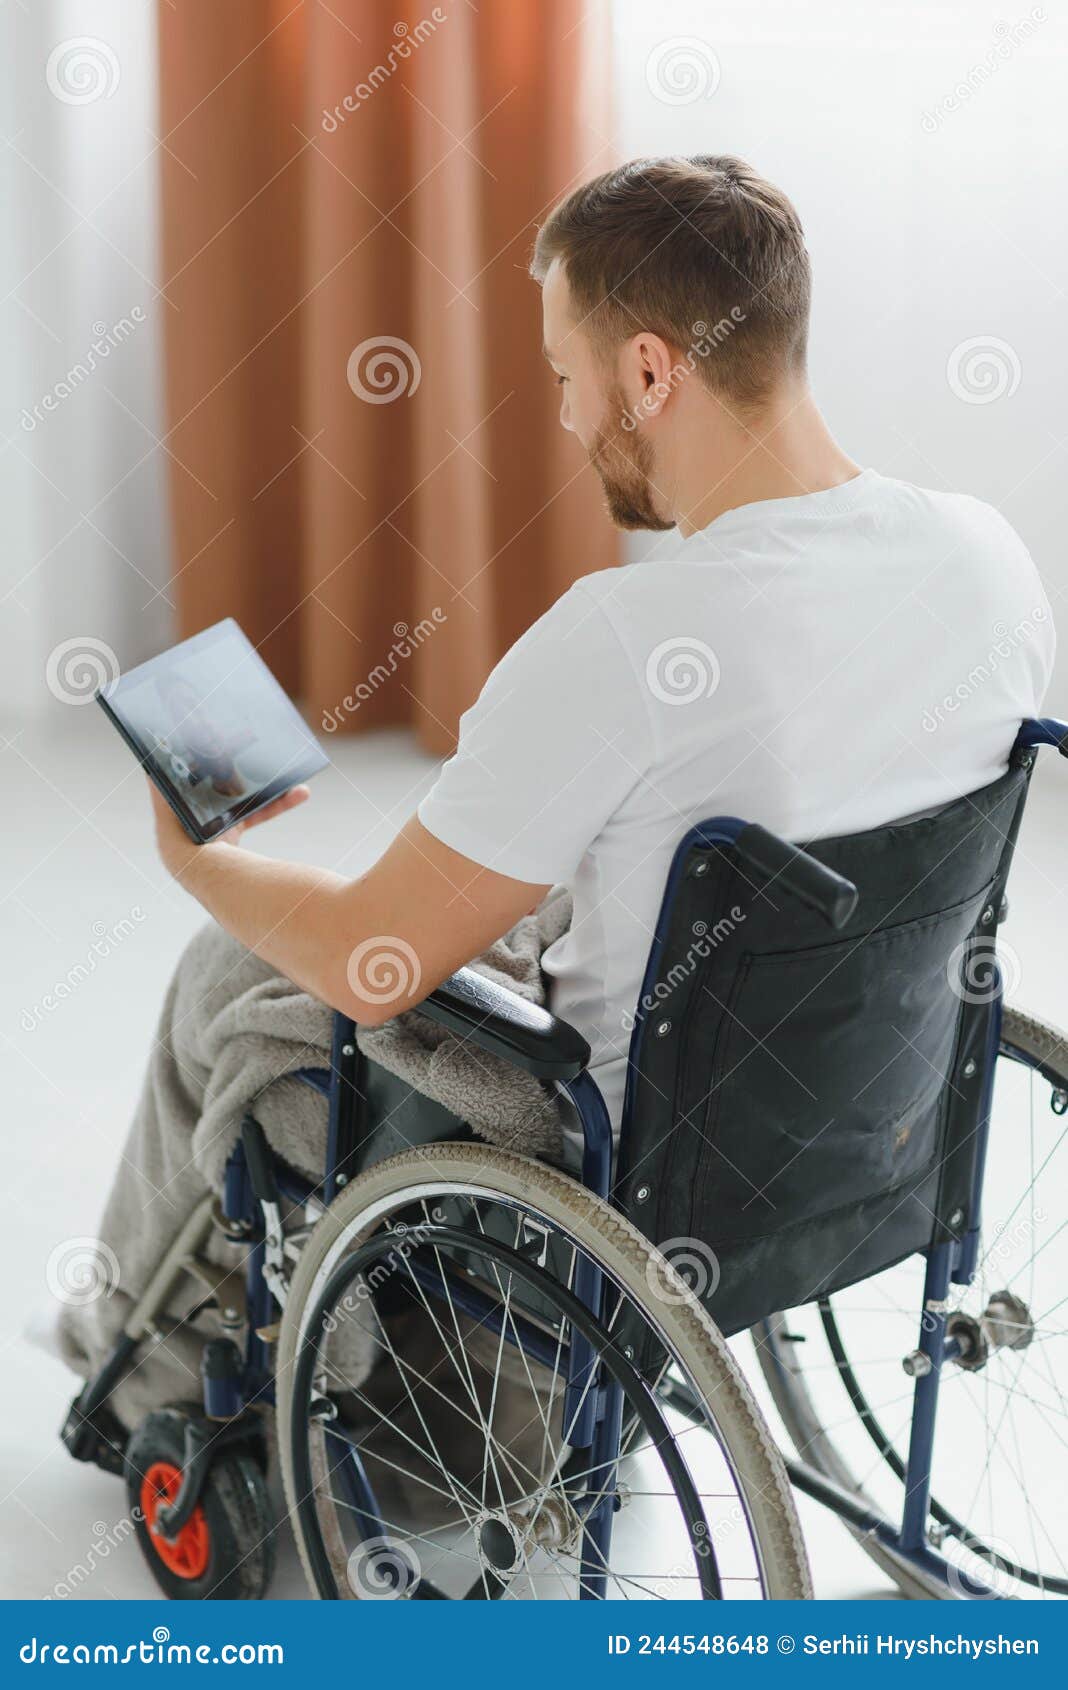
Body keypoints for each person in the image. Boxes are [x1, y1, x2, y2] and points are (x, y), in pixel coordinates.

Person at [140, 153, 1054, 1137]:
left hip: (622, 1157)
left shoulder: (622, 640)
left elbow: (378, 963)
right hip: (878, 1127)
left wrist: (195, 858)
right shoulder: (987, 554)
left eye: (565, 375)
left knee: (225, 971)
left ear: (651, 370)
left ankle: (128, 1299)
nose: (569, 415)